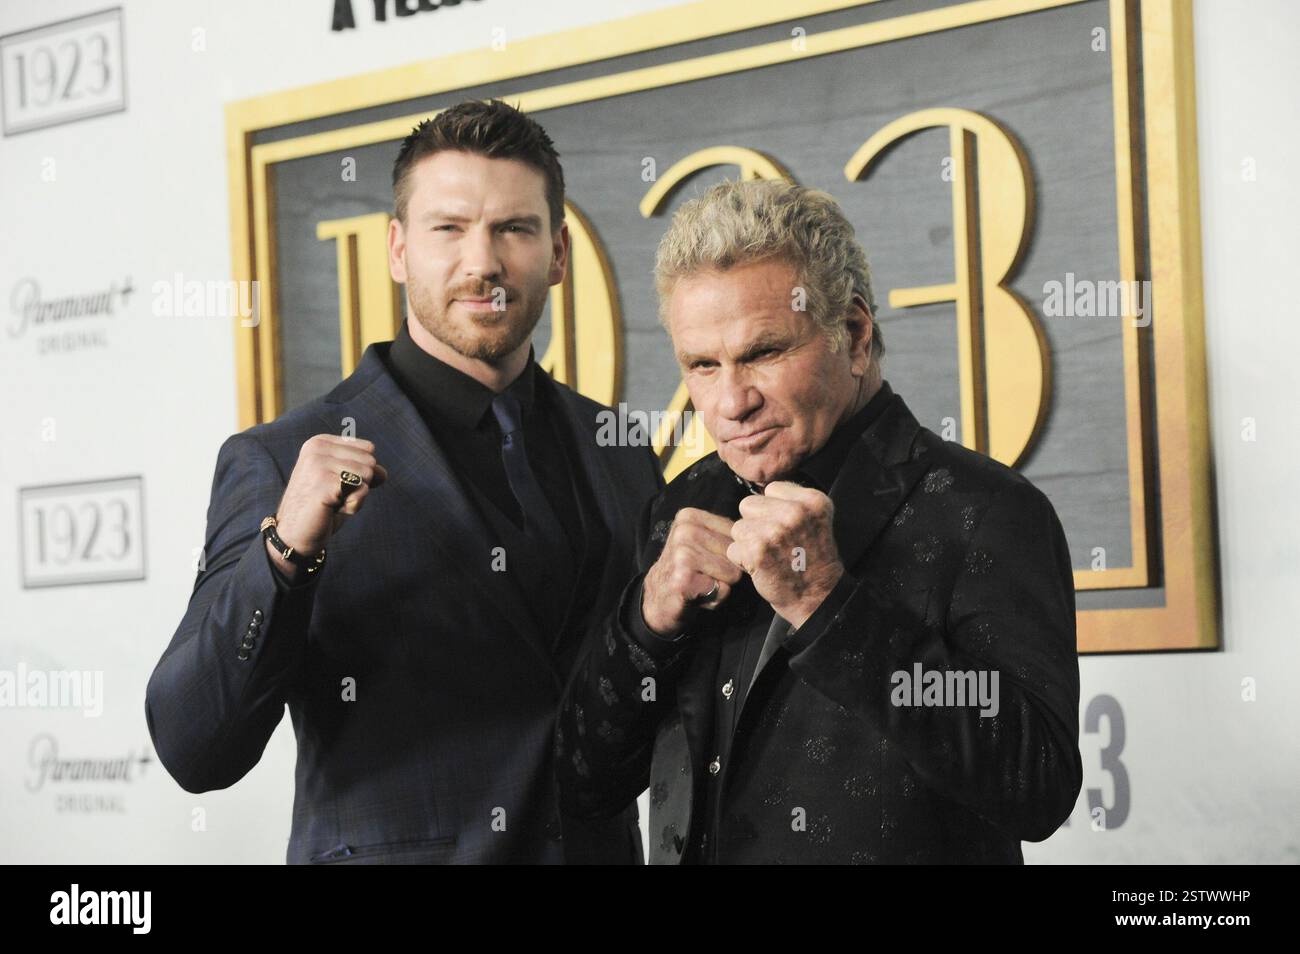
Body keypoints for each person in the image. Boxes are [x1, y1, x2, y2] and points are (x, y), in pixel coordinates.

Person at [146, 99, 660, 864]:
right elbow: (195, 747)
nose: (481, 262)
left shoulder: (617, 449)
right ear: (397, 249)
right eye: (448, 228)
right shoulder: (281, 459)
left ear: (556, 254)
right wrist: (284, 555)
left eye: (513, 229)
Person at [556, 178, 1082, 863]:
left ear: (855, 335)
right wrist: (645, 623)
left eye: (764, 353)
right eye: (703, 366)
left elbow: (1037, 783)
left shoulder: (984, 512)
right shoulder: (678, 511)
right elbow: (583, 783)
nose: (730, 402)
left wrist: (827, 604)